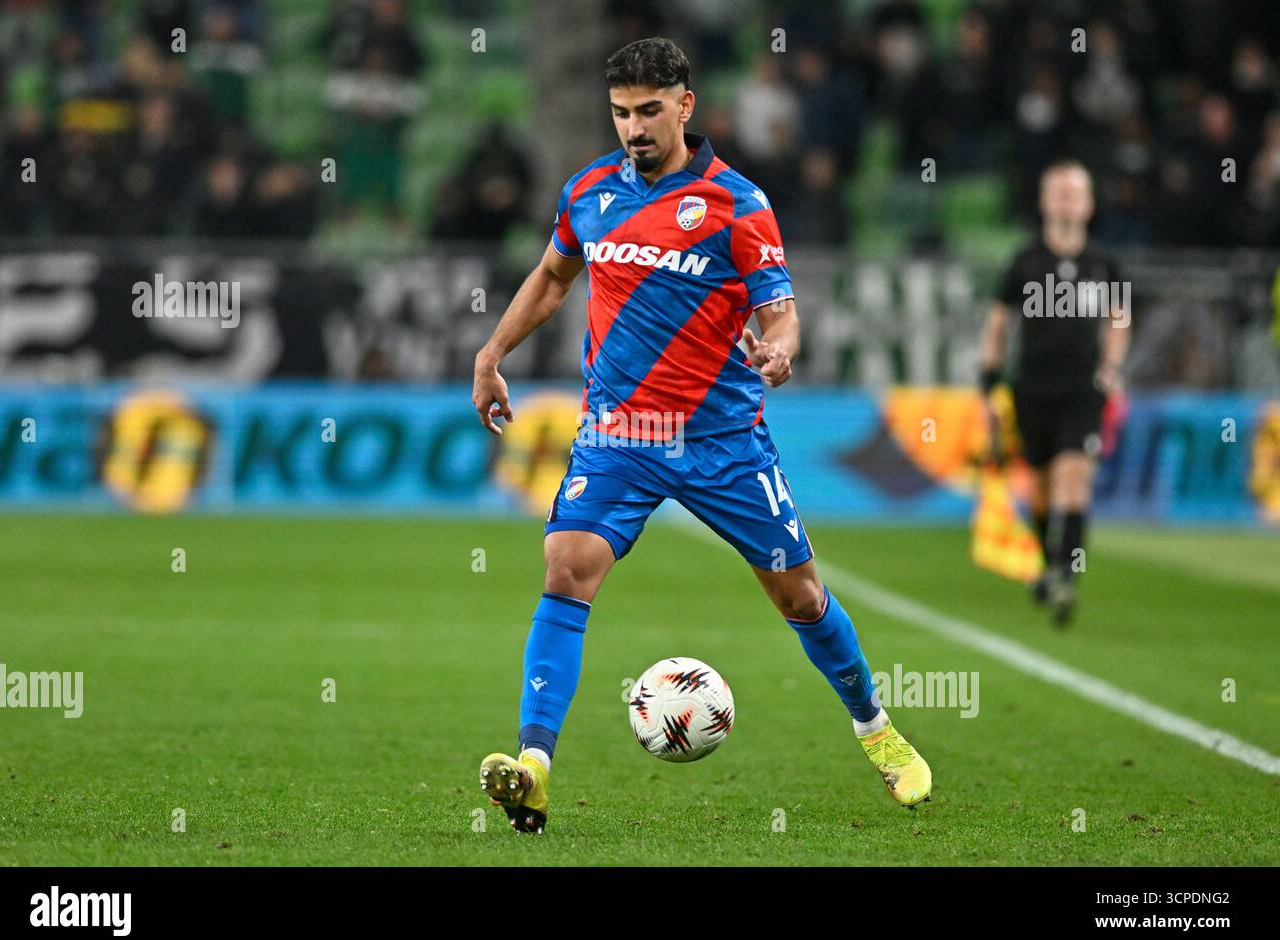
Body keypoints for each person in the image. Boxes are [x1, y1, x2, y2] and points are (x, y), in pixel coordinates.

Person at [470, 38, 930, 834]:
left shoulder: (736, 203)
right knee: (566, 565)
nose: (634, 127)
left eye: (650, 110)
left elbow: (778, 306)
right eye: (621, 112)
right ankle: (535, 766)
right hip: (618, 433)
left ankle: (877, 731)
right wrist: (491, 353)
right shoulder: (588, 192)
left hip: (721, 440)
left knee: (800, 594)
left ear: (686, 105)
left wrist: (780, 347)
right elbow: (552, 277)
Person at [979, 160, 1131, 626]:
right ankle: (1051, 564)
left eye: (1075, 193)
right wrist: (990, 378)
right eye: (1058, 192)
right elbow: (999, 323)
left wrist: (1110, 366)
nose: (1066, 201)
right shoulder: (1025, 261)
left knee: (1074, 474)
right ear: (1045, 202)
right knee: (1042, 487)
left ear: (1088, 205)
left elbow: (1120, 317)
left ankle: (1065, 572)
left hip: (1083, 389)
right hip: (1032, 388)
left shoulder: (1105, 263)